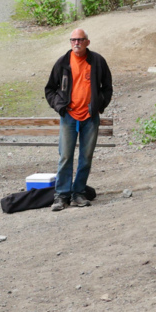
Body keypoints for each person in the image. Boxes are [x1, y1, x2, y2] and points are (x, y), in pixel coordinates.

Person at [44, 28, 114, 210]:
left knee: (86, 157)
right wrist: (59, 106)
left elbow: (107, 87)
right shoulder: (62, 63)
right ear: (70, 42)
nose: (77, 43)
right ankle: (61, 196)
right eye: (73, 40)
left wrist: (99, 105)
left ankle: (79, 193)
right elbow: (50, 89)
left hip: (90, 117)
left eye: (80, 40)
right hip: (69, 117)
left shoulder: (97, 61)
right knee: (65, 156)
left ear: (87, 42)